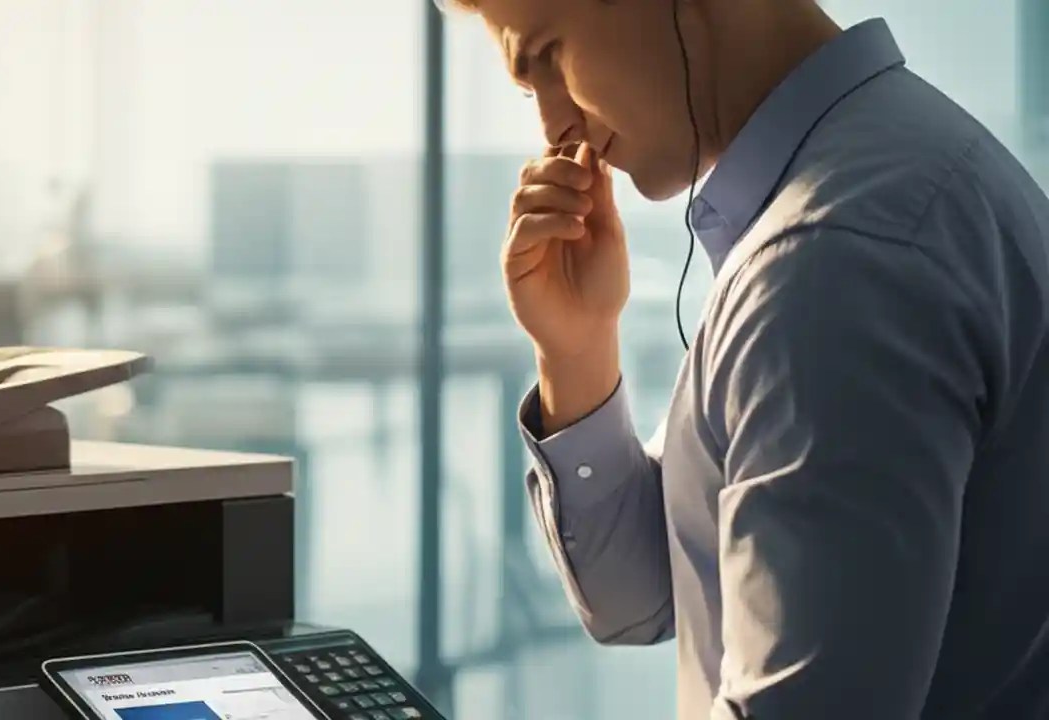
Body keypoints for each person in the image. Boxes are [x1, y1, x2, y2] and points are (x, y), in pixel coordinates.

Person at [439, 0, 1049, 717]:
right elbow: (652, 592)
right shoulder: (863, 187)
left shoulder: (834, 259)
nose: (552, 124)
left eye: (550, 57)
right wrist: (575, 350)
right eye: (526, 87)